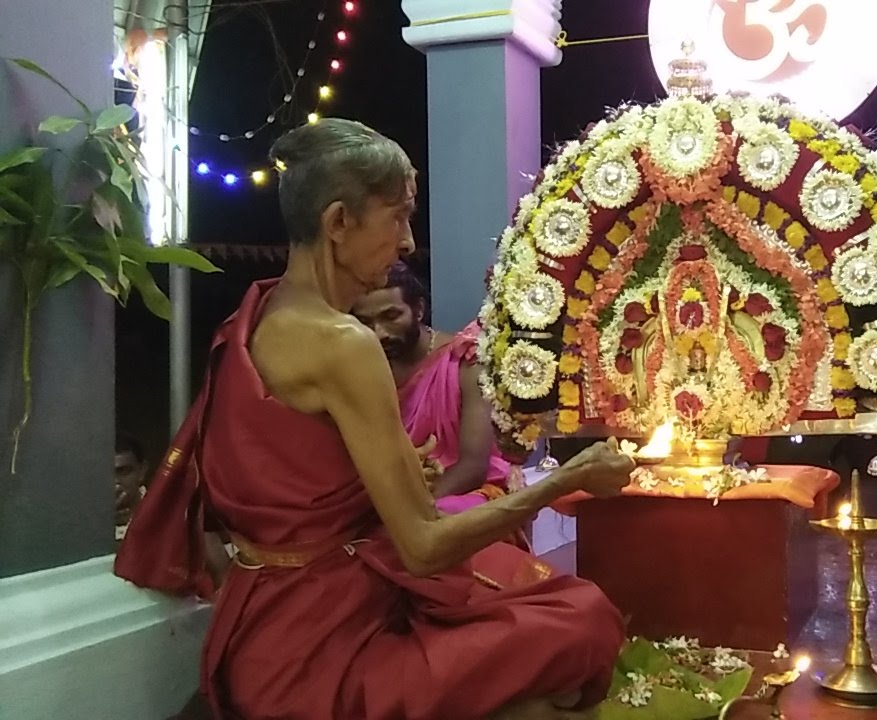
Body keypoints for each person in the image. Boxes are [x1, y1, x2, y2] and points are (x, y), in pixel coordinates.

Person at [115, 118, 635, 720]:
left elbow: (288, 480)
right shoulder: (344, 343)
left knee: (533, 616)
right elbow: (422, 547)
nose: (408, 242)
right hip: (321, 651)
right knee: (583, 618)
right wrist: (564, 482)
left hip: (256, 628)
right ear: (339, 223)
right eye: (397, 217)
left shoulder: (252, 316)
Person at [352, 263, 521, 517]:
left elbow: (473, 466)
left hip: (464, 494)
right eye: (365, 322)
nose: (379, 333)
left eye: (391, 316)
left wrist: (410, 510)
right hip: (391, 497)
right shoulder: (359, 369)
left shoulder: (465, 361)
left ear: (418, 310)